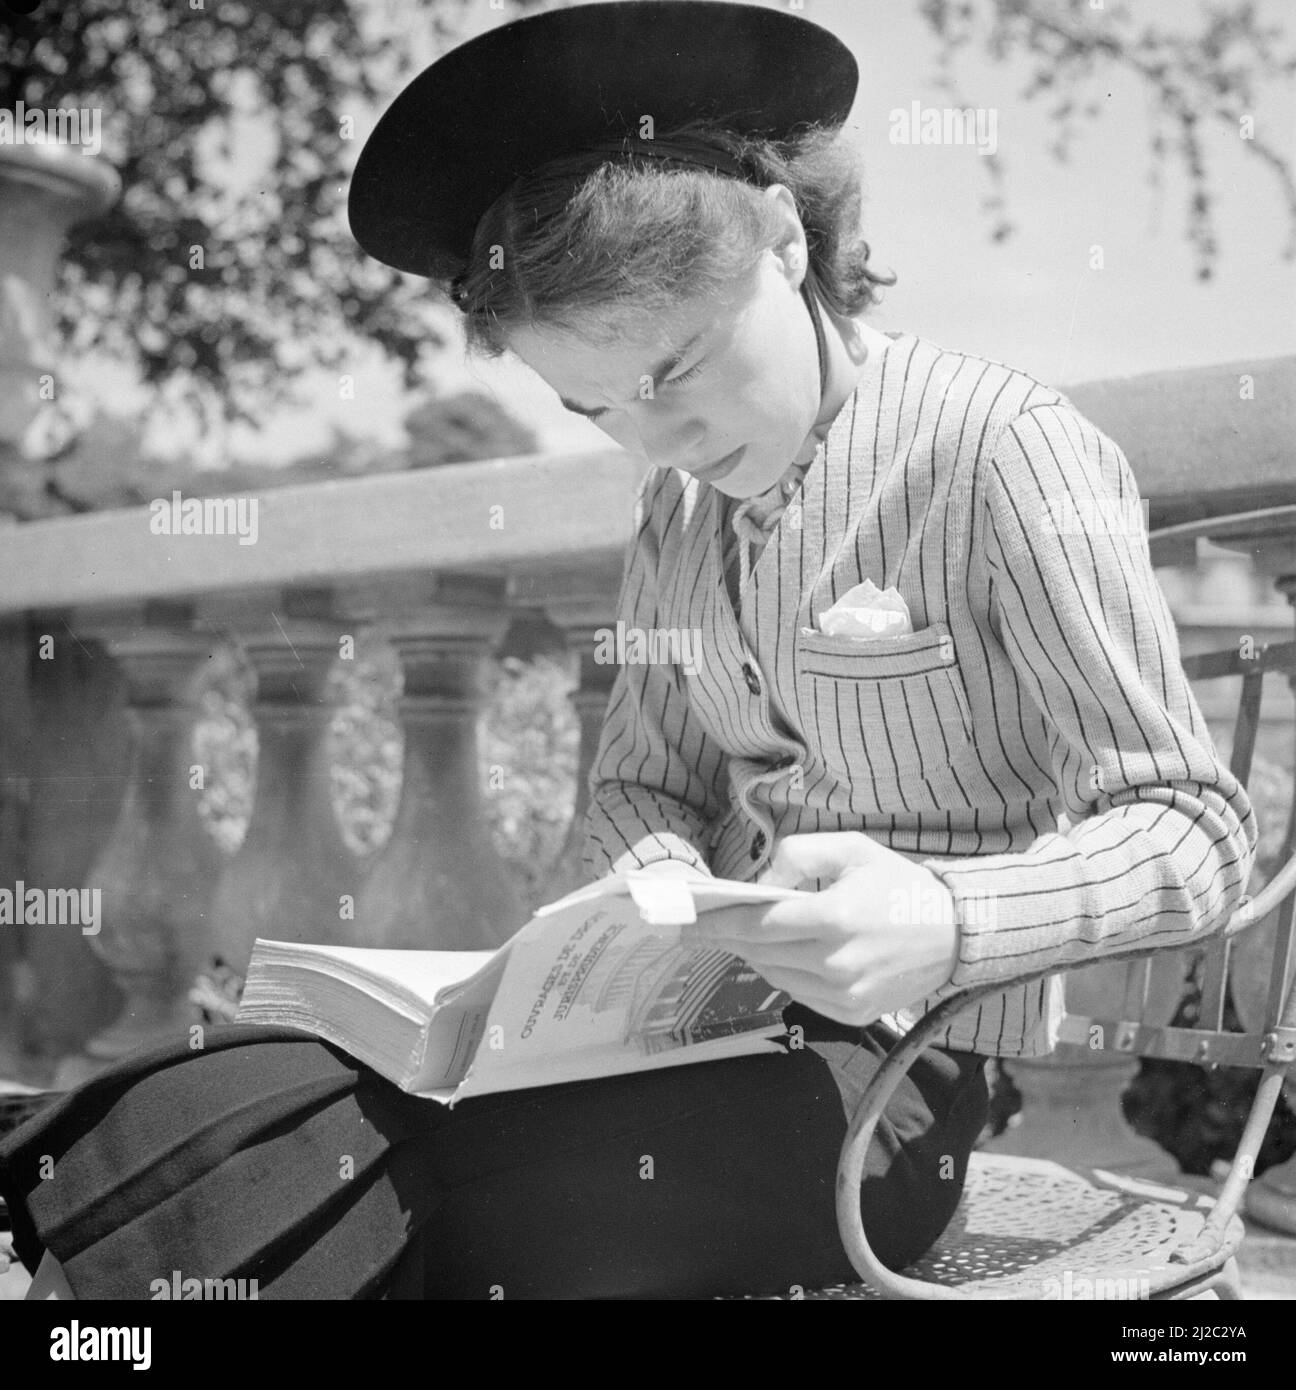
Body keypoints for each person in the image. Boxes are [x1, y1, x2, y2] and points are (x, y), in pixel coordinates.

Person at [1, 0, 1255, 1300]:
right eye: (592, 406)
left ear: (781, 236)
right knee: (256, 1075)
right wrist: (648, 907)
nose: (652, 444)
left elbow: (1195, 831)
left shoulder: (1004, 450)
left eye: (675, 372)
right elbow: (645, 786)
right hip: (692, 1044)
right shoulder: (677, 505)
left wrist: (945, 915)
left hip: (912, 1084)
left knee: (427, 1172)